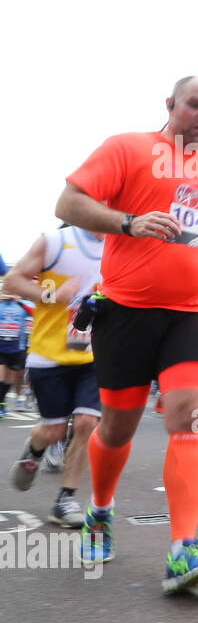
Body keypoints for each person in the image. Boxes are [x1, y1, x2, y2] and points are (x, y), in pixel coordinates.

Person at [54, 75, 198, 592]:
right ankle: (99, 510)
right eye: (195, 105)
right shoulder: (128, 149)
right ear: (171, 104)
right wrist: (129, 222)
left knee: (191, 413)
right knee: (117, 428)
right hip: (125, 309)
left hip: (197, 311)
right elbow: (68, 204)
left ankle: (183, 549)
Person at [5, 224, 104, 527]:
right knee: (54, 432)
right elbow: (12, 281)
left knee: (87, 422)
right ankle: (35, 449)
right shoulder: (56, 241)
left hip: (94, 355)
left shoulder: (121, 245)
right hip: (48, 355)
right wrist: (53, 294)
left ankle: (65, 500)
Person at [0, 292, 29, 418]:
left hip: (16, 348)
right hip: (1, 347)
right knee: (1, 378)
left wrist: (20, 301)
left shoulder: (23, 305)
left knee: (8, 381)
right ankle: (1, 405)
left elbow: (35, 312)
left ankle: (2, 402)